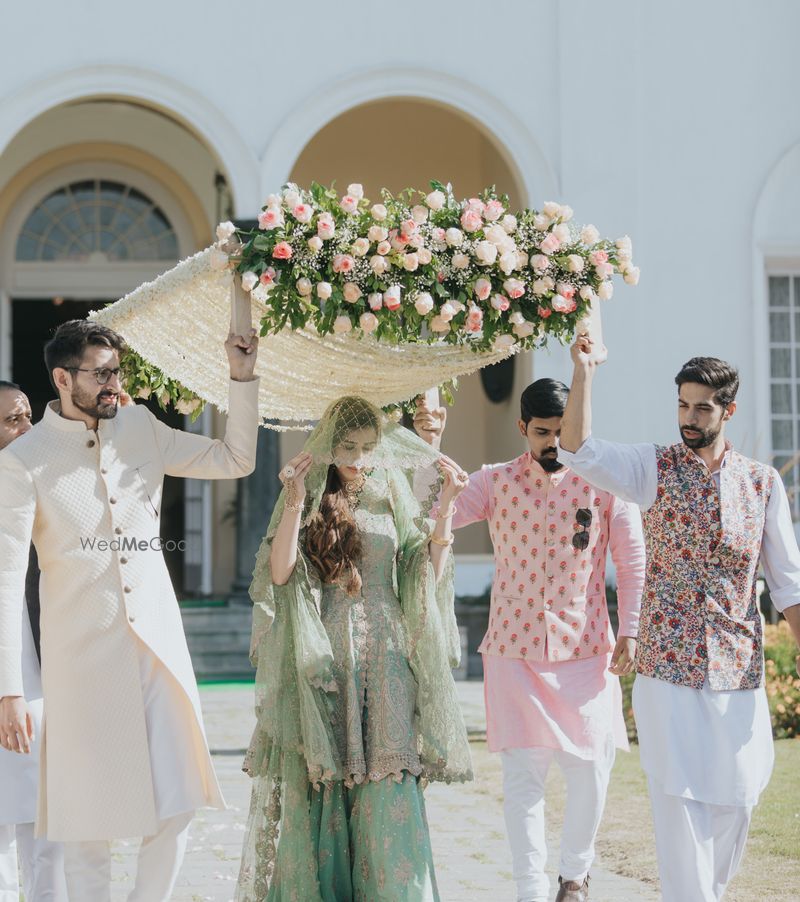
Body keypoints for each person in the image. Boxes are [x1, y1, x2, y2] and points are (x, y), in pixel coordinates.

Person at [0, 319, 260, 901]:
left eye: (118, 371)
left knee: (178, 804)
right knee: (86, 830)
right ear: (63, 379)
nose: (115, 384)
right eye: (101, 374)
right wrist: (9, 689)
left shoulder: (140, 426)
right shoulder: (24, 461)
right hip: (81, 666)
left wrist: (242, 379)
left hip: (158, 655)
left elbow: (236, 458)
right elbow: (7, 577)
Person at [558, 338, 800, 902]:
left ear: (728, 410)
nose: (689, 418)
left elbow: (788, 581)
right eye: (683, 405)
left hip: (738, 666)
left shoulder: (762, 483)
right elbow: (579, 450)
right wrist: (584, 373)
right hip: (667, 664)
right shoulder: (653, 467)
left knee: (739, 797)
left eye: (702, 408)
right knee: (675, 799)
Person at [414, 380, 645, 902]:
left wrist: (629, 629)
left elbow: (631, 564)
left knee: (590, 772)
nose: (555, 445)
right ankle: (529, 891)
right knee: (523, 782)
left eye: (564, 434)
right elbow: (432, 514)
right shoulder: (494, 482)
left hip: (587, 652)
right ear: (523, 429)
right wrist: (428, 449)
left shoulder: (608, 485)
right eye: (544, 433)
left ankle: (574, 877)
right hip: (513, 652)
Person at [236, 396, 473, 902]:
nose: (358, 457)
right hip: (329, 656)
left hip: (387, 657)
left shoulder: (391, 492)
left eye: (368, 447)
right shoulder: (313, 493)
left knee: (389, 774)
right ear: (326, 443)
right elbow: (279, 574)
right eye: (347, 446)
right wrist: (296, 499)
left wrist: (447, 505)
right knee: (329, 780)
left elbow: (422, 579)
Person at [0, 381, 68, 902]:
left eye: (26, 416)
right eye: (11, 421)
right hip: (11, 671)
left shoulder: (46, 484)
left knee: (46, 814)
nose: (26, 429)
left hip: (41, 666)